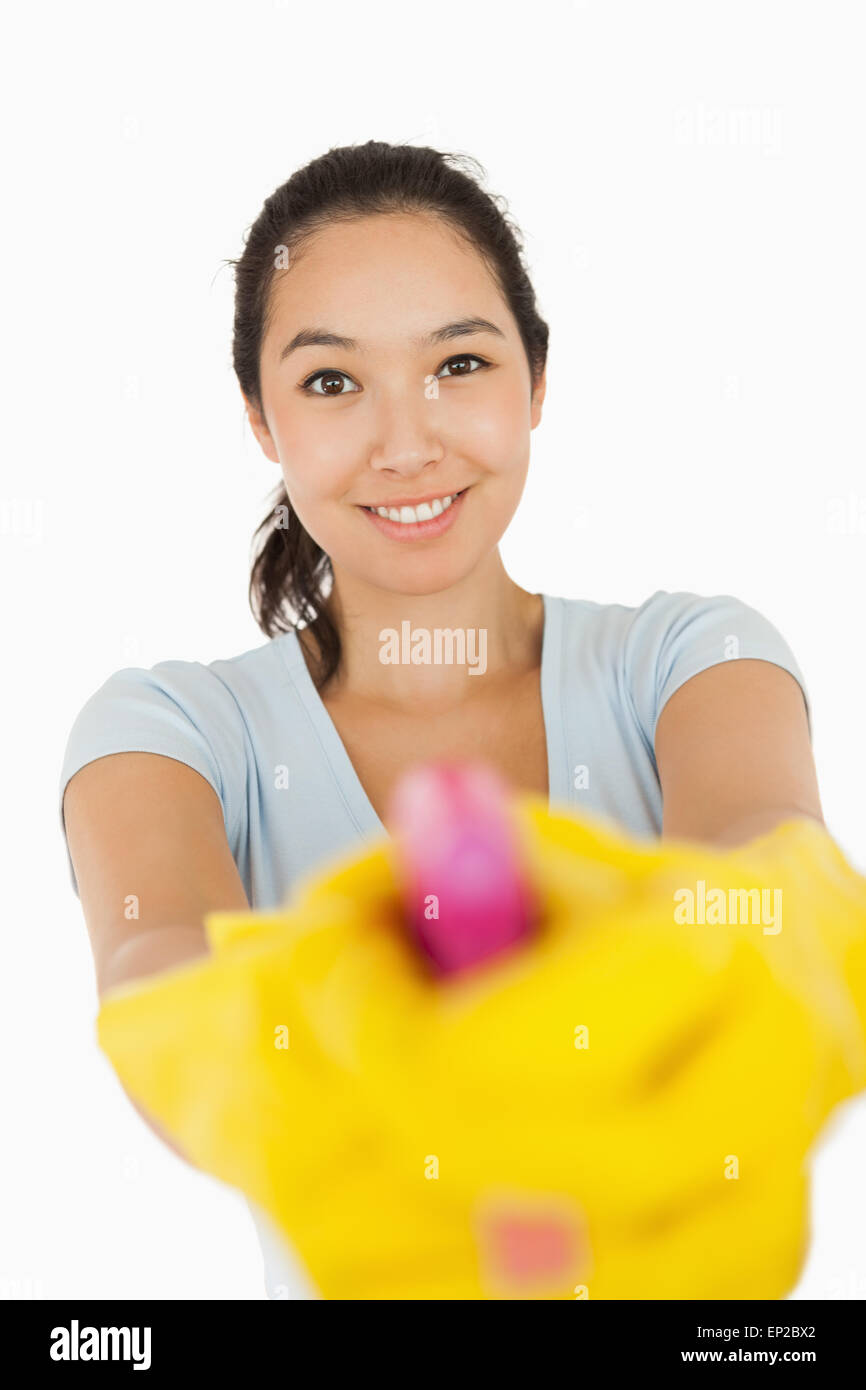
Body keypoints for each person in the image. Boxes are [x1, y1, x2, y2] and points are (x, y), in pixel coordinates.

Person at [58, 140, 823, 1299]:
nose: (405, 443)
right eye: (329, 381)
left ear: (536, 381)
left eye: (457, 363)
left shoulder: (691, 662)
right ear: (260, 419)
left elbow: (770, 882)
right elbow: (159, 977)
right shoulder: (172, 731)